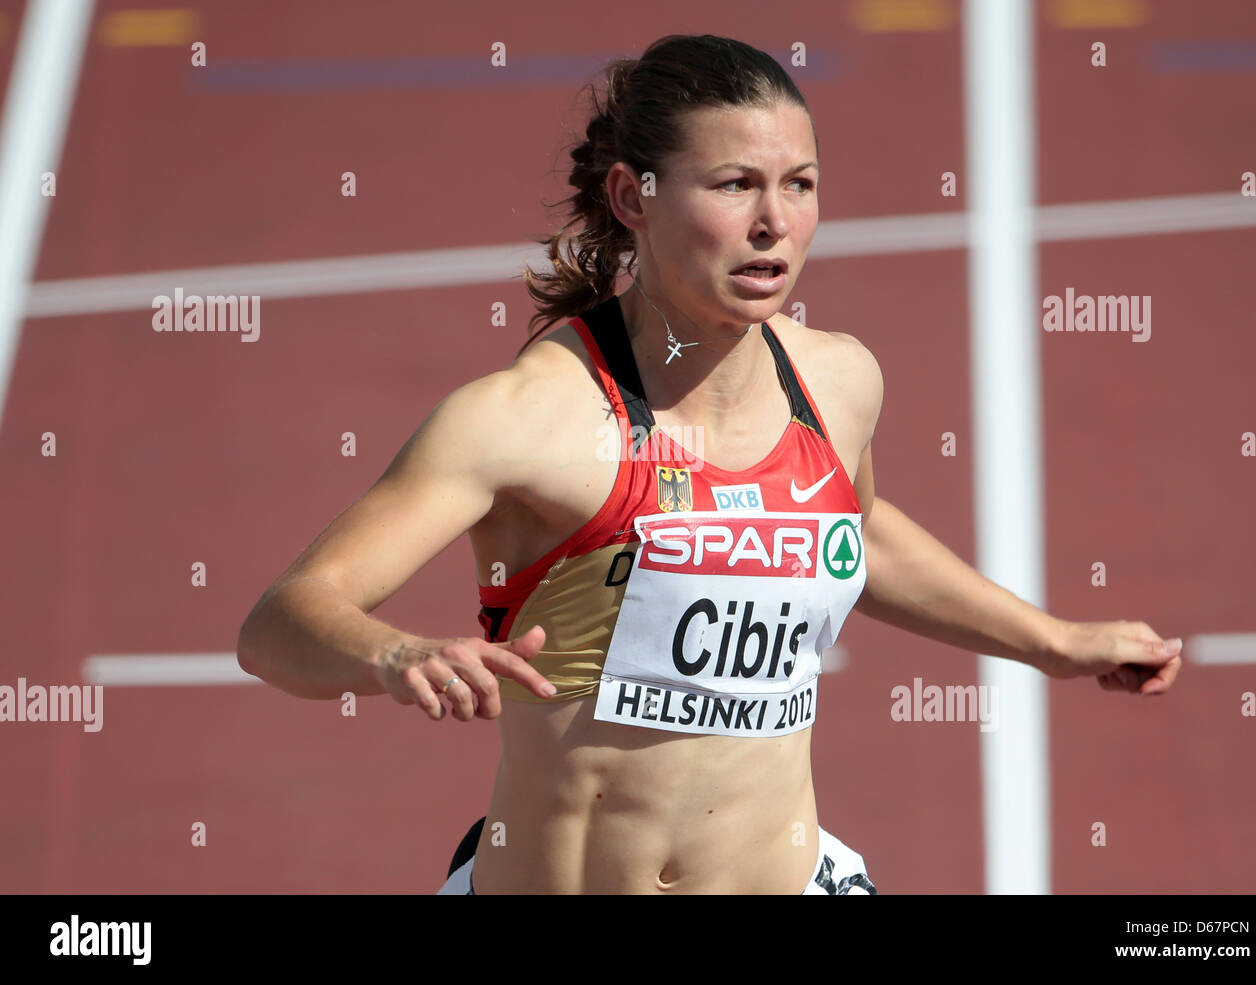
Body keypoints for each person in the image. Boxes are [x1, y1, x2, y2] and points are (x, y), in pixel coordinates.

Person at [236, 34, 1183, 895]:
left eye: (800, 184)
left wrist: (1053, 642)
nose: (774, 221)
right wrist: (395, 656)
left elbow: (854, 533)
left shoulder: (840, 383)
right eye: (734, 185)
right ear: (630, 197)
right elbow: (279, 623)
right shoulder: (529, 420)